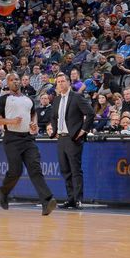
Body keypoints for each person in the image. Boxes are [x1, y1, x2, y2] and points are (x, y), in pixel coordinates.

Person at [0, 71, 56, 216]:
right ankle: (4, 191)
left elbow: (33, 114)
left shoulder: (29, 100)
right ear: (7, 83)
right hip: (11, 139)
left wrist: (34, 124)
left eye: (17, 79)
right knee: (16, 170)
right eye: (12, 80)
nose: (15, 81)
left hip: (28, 139)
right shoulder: (3, 100)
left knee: (35, 169)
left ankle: (47, 201)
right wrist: (10, 121)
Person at [51, 73, 93, 209]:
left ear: (68, 82)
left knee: (75, 170)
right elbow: (53, 117)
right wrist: (54, 130)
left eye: (63, 81)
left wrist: (83, 130)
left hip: (73, 138)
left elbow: (90, 113)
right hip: (61, 138)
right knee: (65, 170)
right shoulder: (57, 99)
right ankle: (70, 199)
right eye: (58, 82)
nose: (60, 84)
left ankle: (78, 199)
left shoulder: (76, 97)